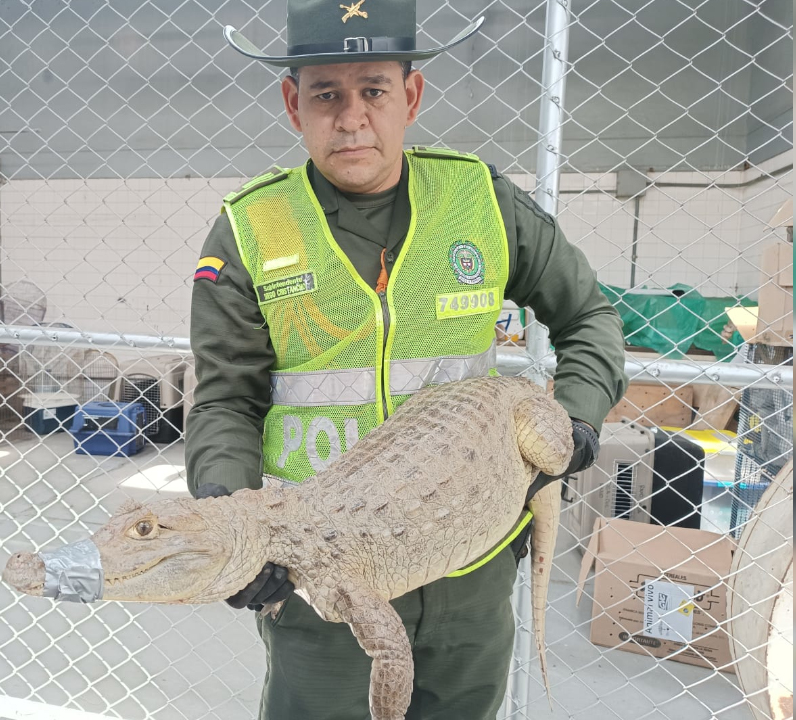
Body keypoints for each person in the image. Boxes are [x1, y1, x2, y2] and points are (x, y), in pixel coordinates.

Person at [185, 1, 627, 717]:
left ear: (411, 97)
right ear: (292, 103)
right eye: (326, 94)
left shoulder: (480, 202)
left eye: (374, 90)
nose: (351, 117)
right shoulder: (251, 228)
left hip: (470, 559)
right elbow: (224, 401)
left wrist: (574, 422)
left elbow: (589, 318)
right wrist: (238, 527)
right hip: (324, 574)